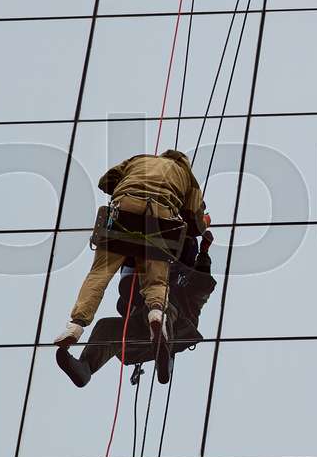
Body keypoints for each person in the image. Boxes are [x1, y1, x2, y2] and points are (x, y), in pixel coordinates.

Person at [55, 149, 206, 348]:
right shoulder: (187, 175)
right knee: (156, 280)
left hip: (124, 211)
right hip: (160, 219)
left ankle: (75, 327)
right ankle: (157, 318)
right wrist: (202, 223)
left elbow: (105, 181)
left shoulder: (139, 159)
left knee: (99, 273)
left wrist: (130, 186)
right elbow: (194, 221)